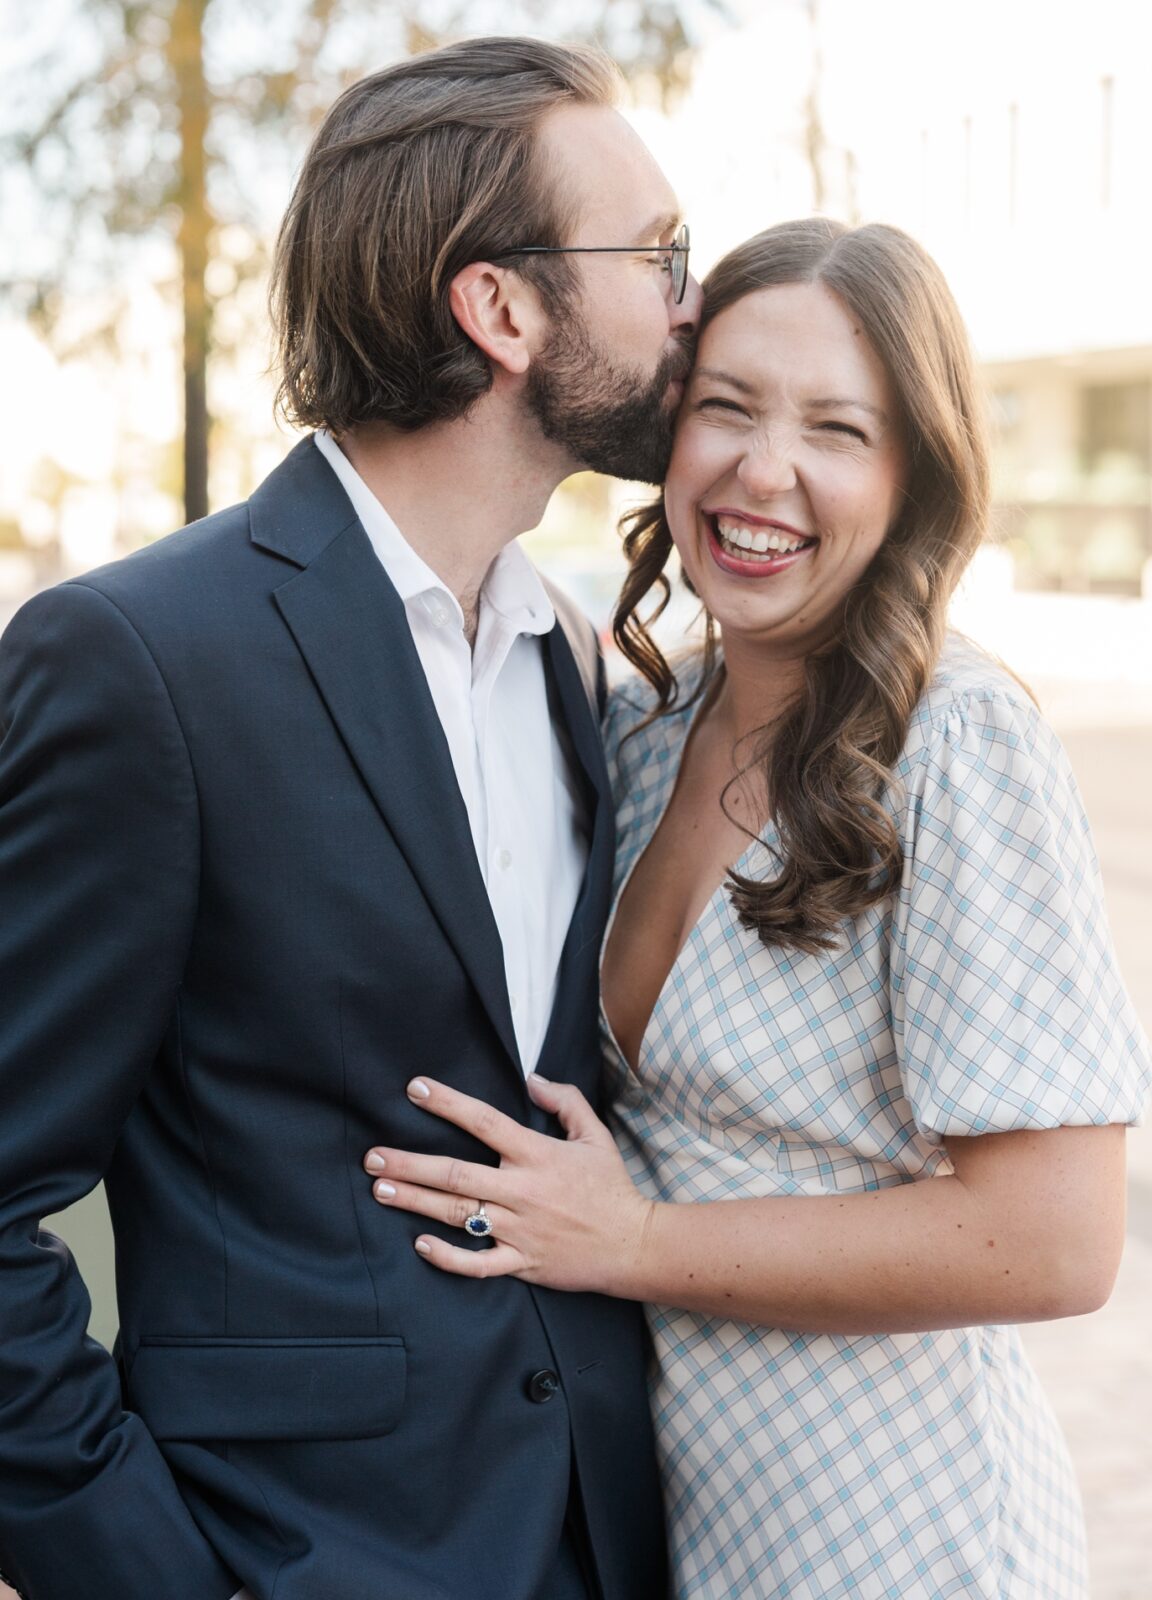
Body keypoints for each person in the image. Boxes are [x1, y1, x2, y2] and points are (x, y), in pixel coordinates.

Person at [360, 218, 1152, 1599]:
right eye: (725, 407)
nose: (761, 468)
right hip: (680, 1517)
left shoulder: (954, 746)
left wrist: (639, 1246)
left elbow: (1056, 1238)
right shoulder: (642, 730)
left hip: (902, 1537)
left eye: (837, 429)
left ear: (909, 479)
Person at [0, 36, 700, 1600]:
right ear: (499, 306)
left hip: (597, 1542)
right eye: (656, 254)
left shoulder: (576, 663)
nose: (687, 302)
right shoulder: (142, 660)